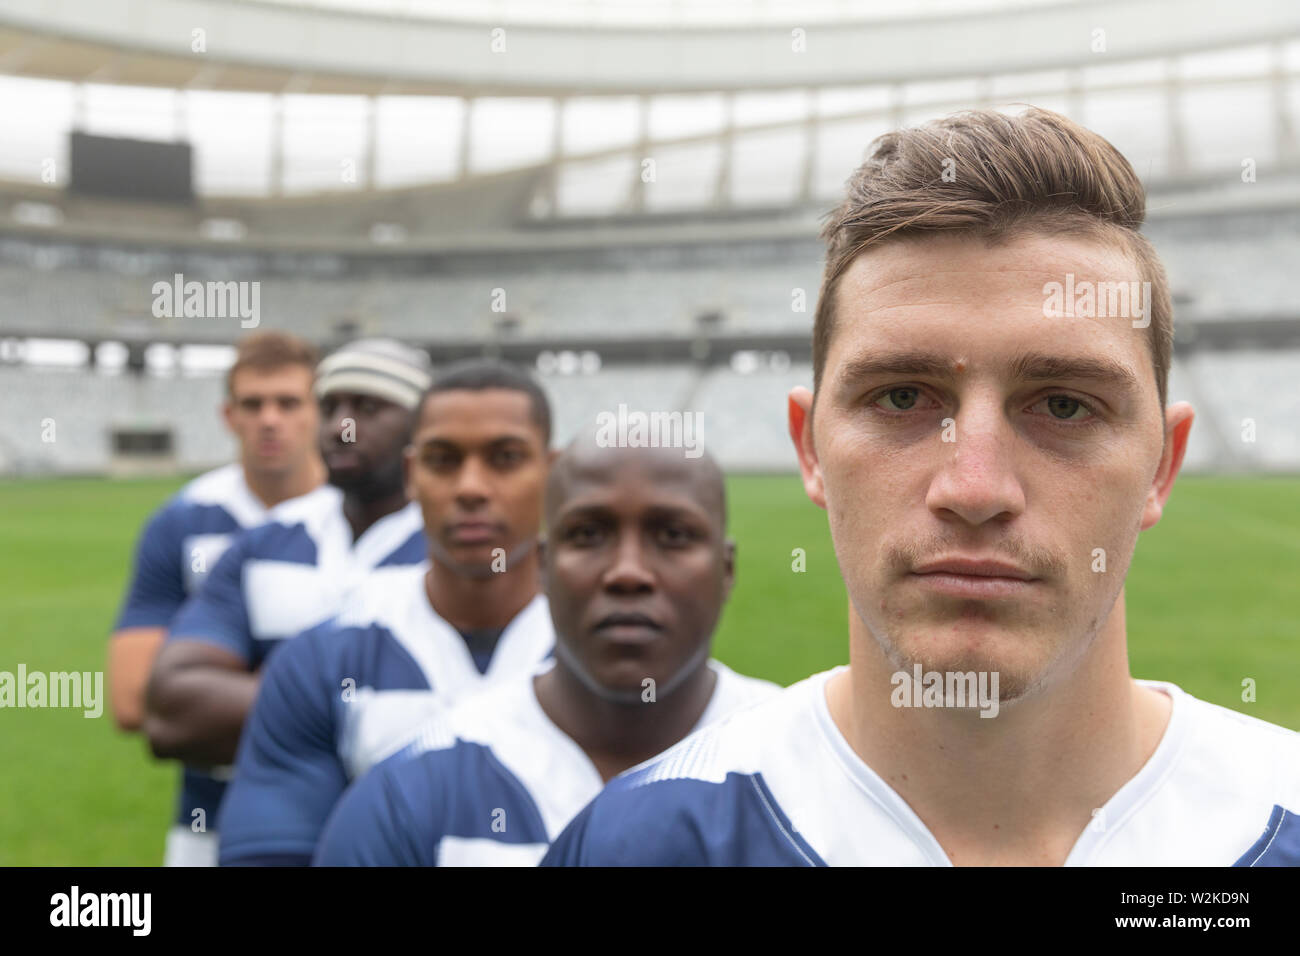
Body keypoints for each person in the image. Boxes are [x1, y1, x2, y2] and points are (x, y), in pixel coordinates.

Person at [541, 107, 1300, 867]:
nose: (974, 487)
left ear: (1162, 466)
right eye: (902, 397)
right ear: (810, 448)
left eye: (1065, 405)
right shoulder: (638, 847)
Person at [313, 439, 779, 865]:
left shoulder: (806, 764)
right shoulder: (412, 791)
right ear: (541, 569)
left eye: (674, 535)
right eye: (588, 535)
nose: (628, 573)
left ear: (726, 569)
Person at [217, 360, 557, 866]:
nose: (471, 488)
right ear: (410, 475)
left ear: (553, 473)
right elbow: (269, 853)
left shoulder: (619, 659)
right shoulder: (322, 659)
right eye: (443, 460)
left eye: (504, 458)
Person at [143, 338, 432, 863]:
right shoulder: (264, 544)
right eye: (331, 406)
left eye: (368, 408)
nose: (342, 425)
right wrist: (370, 711)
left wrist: (260, 694)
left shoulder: (454, 553)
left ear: (421, 428)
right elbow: (171, 713)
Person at [107, 331, 325, 867]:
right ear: (228, 415)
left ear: (317, 412)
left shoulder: (360, 520)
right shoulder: (182, 521)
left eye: (288, 402)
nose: (269, 419)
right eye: (253, 404)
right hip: (209, 820)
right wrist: (325, 712)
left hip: (338, 820)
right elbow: (136, 700)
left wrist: (215, 695)